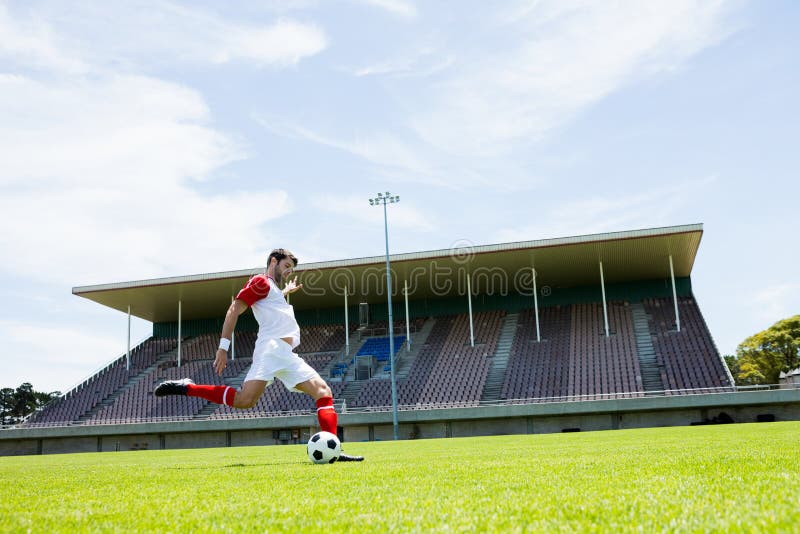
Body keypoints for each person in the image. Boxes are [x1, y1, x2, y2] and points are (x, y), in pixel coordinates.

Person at [154, 248, 363, 461]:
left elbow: (269, 306)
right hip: (271, 350)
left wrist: (285, 293)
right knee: (244, 400)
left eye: (291, 268)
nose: (289, 271)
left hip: (285, 353)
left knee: (323, 391)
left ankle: (335, 450)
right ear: (274, 261)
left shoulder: (271, 288)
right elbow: (234, 308)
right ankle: (188, 387)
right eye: (287, 266)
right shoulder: (260, 281)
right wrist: (223, 347)